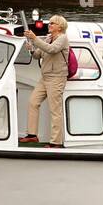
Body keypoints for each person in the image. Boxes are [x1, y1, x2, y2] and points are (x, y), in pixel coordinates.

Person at [20, 14, 70, 147]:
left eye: (53, 23)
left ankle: (55, 142)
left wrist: (35, 38)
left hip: (57, 78)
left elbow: (52, 49)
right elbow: (38, 55)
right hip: (46, 77)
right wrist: (31, 49)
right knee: (33, 102)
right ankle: (32, 135)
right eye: (50, 23)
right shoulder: (48, 38)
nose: (50, 25)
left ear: (60, 27)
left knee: (55, 110)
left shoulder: (63, 39)